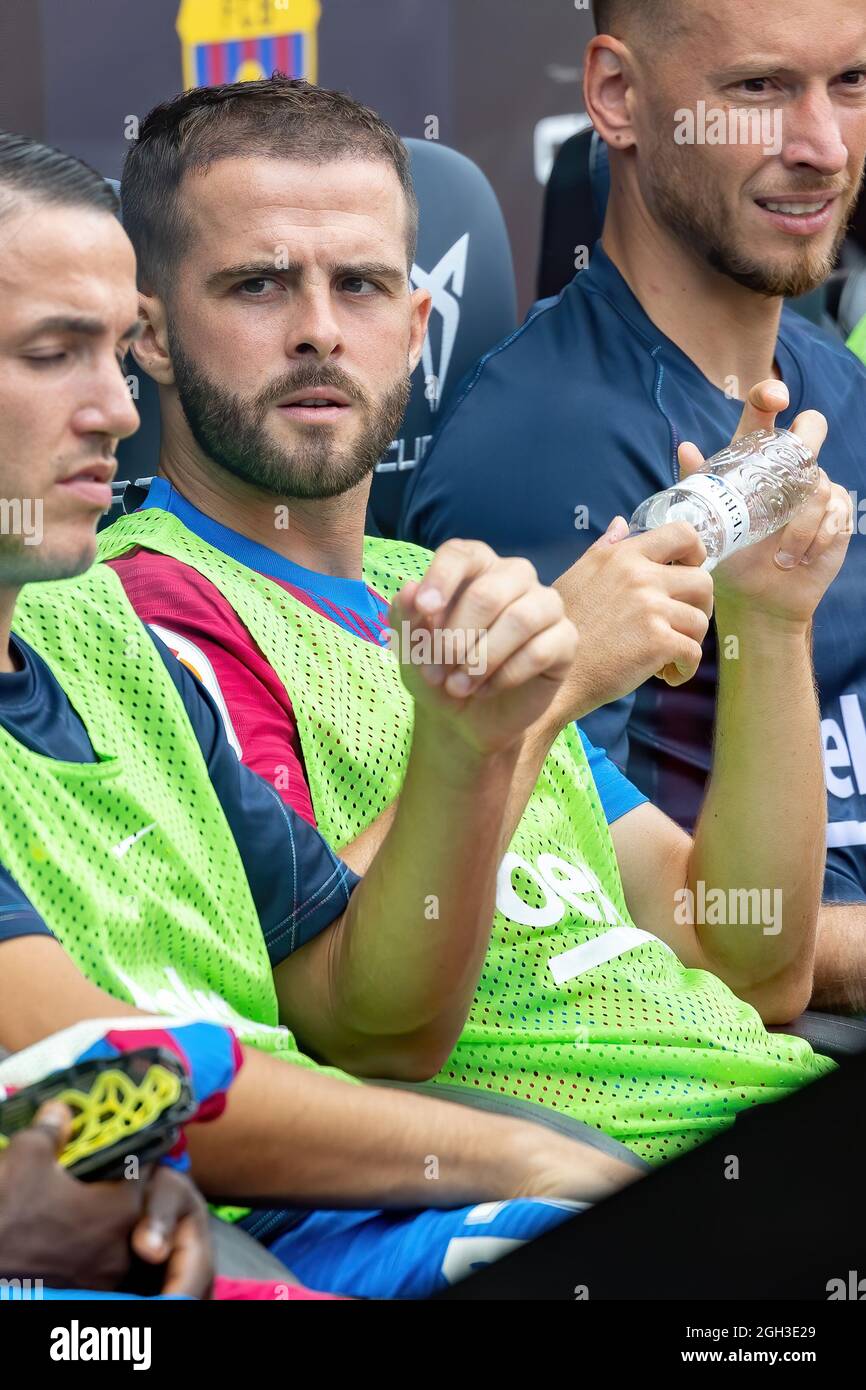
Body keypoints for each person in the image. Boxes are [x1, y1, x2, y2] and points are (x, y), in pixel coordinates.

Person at [98, 78, 851, 1178]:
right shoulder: (137, 610)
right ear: (150, 335)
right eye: (257, 285)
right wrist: (534, 703)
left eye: (359, 286)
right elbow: (324, 1015)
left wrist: (767, 622)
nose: (317, 331)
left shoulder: (450, 586)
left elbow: (749, 960)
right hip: (563, 1183)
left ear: (415, 328)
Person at [0, 128, 643, 1301]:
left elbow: (369, 1019)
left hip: (308, 1211)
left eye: (110, 351)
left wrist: (469, 739)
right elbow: (86, 1075)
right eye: (53, 355)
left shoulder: (105, 635)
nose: (110, 407)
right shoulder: (165, 592)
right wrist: (527, 1152)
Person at [400, 0, 866, 1014]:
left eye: (850, 83)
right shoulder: (535, 448)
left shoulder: (838, 383)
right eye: (758, 89)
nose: (822, 147)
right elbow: (582, 917)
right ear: (616, 95)